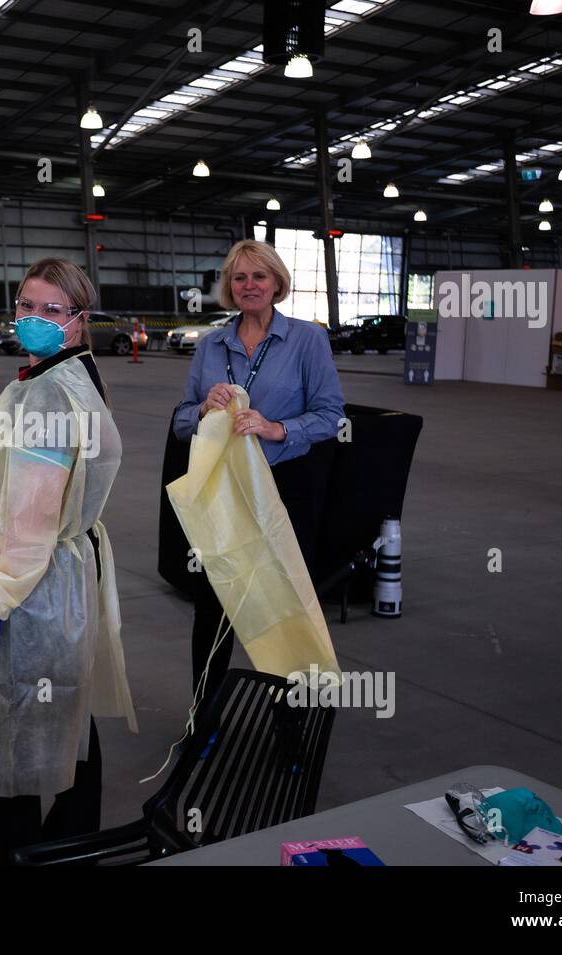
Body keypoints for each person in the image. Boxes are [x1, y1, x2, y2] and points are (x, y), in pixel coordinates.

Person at [0, 257, 138, 866]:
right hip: (61, 578)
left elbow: (28, 516)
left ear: (80, 321)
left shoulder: (47, 394)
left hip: (31, 584)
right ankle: (71, 840)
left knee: (16, 728)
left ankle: (17, 855)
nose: (32, 318)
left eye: (51, 310)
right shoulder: (71, 375)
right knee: (67, 716)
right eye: (25, 305)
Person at [172, 239, 345, 707]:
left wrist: (276, 427)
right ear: (230, 286)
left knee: (283, 608)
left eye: (259, 276)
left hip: (284, 493)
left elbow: (332, 416)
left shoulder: (307, 340)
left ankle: (290, 727)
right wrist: (203, 407)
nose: (249, 285)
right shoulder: (211, 346)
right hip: (224, 496)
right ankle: (203, 720)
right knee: (212, 609)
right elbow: (182, 417)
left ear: (276, 283)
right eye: (239, 277)